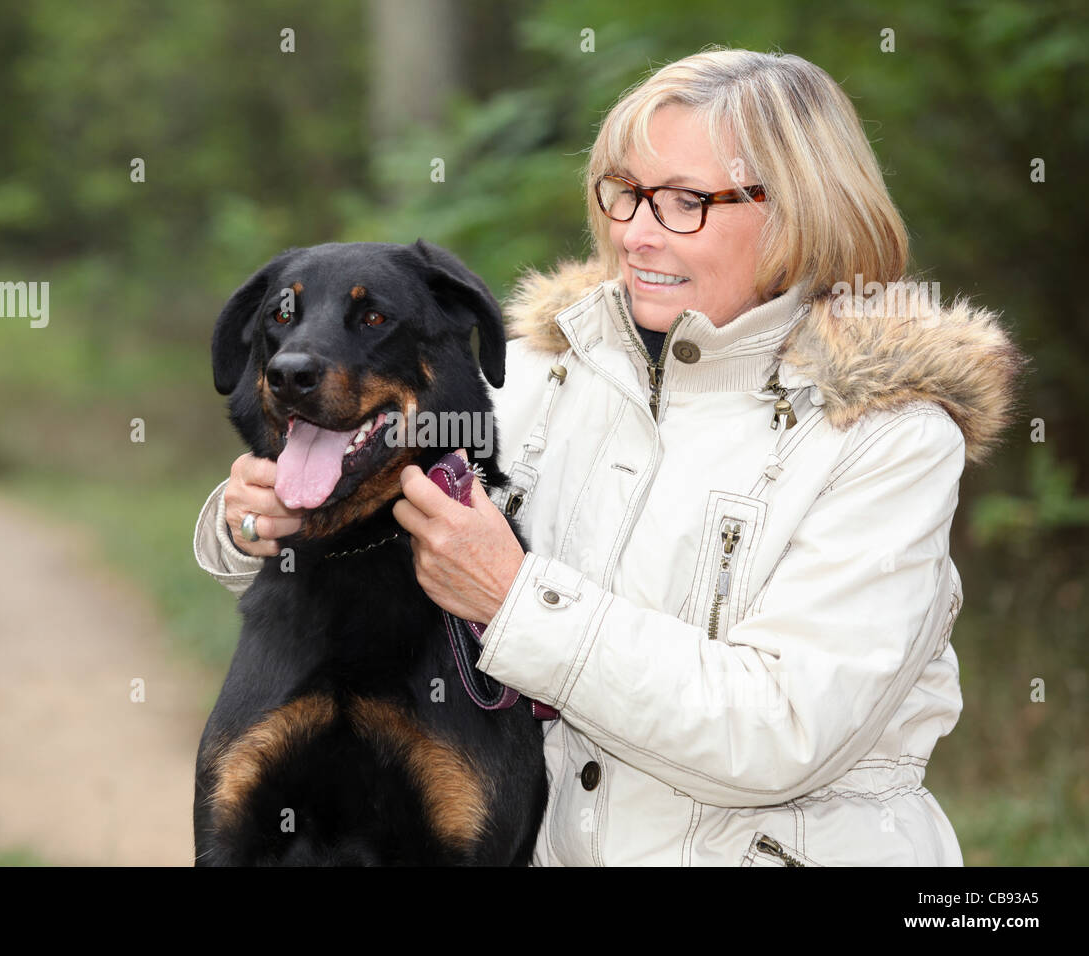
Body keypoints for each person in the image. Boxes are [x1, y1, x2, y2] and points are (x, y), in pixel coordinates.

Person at [194, 48, 1026, 865]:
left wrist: (517, 601)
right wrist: (246, 522)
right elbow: (362, 554)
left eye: (684, 202)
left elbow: (785, 730)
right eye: (624, 193)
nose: (636, 233)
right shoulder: (538, 378)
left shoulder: (887, 435)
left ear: (802, 211)